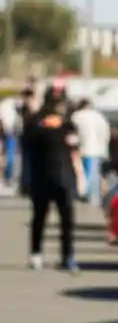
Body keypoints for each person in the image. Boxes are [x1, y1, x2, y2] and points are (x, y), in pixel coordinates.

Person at [22, 87, 83, 272]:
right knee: (52, 219)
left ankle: (55, 255)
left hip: (50, 176)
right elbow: (75, 150)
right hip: (53, 177)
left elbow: (75, 151)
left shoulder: (57, 124)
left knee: (52, 219)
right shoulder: (49, 124)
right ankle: (51, 255)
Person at [71, 98, 110, 203]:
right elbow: (105, 133)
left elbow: (73, 133)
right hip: (97, 149)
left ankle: (84, 193)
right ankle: (93, 196)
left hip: (81, 148)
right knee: (94, 173)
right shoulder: (99, 116)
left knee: (83, 172)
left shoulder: (76, 116)